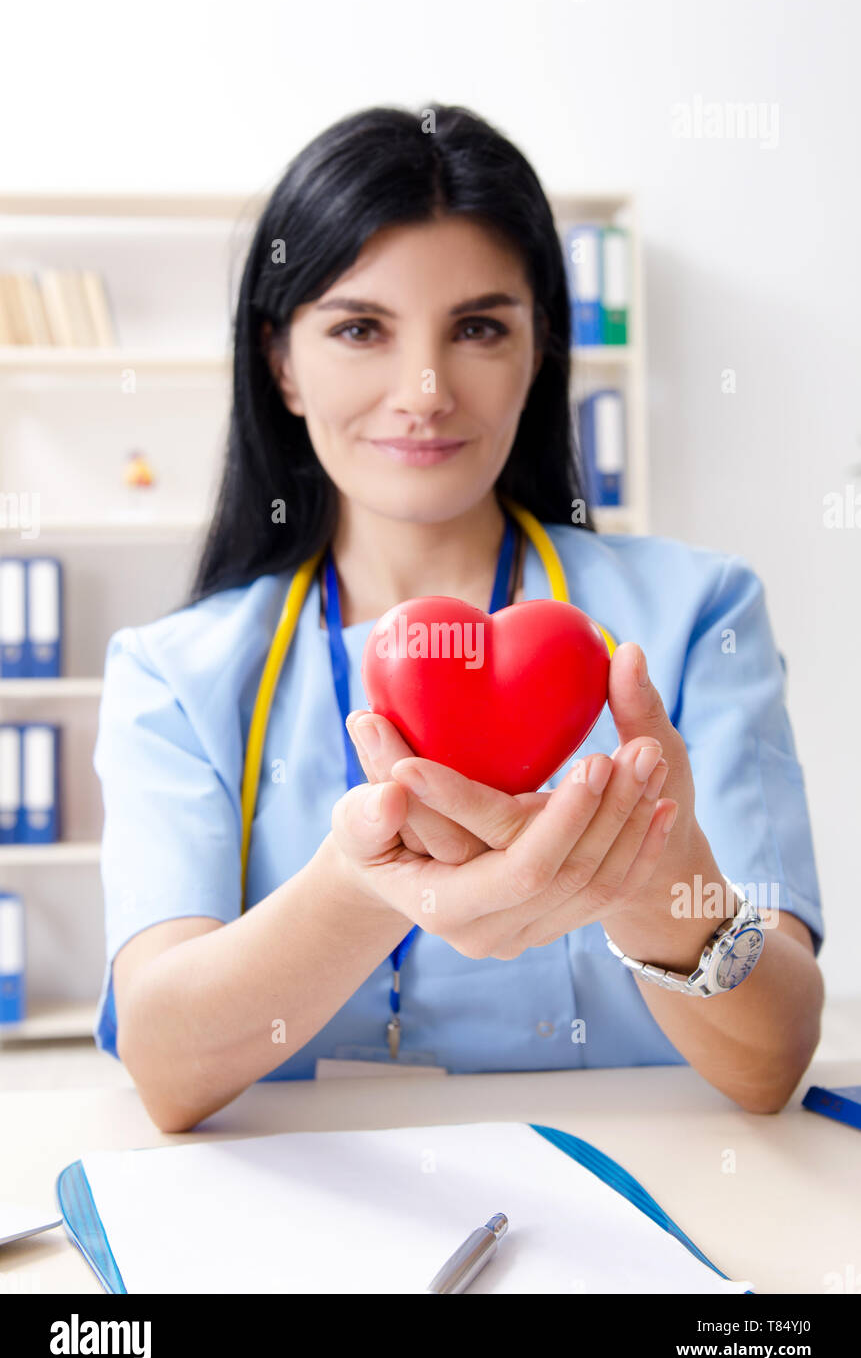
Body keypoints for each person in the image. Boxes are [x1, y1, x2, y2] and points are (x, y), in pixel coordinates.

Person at [92, 103, 824, 1134]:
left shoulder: (699, 615)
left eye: (479, 327)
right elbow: (164, 1066)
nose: (424, 392)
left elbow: (772, 1061)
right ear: (283, 363)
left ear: (540, 352)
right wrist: (360, 886)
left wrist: (661, 887)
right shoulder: (175, 670)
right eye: (359, 329)